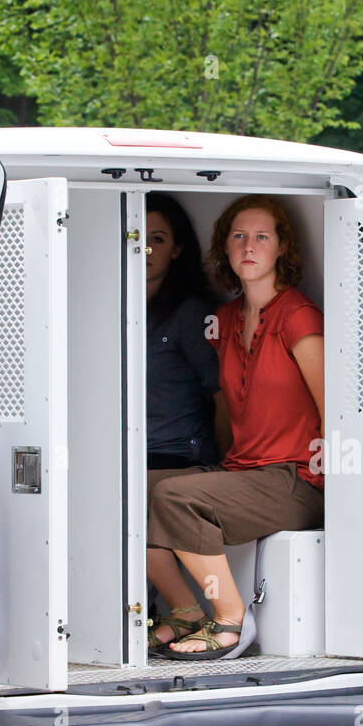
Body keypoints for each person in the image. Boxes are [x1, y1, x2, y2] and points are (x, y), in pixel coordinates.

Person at [147, 195, 324, 660]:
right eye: (238, 236)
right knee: (129, 491)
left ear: (281, 248)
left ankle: (230, 619)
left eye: (262, 237)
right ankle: (184, 610)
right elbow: (226, 407)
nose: (249, 246)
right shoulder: (223, 320)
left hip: (296, 478)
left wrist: (331, 485)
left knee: (175, 496)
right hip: (244, 472)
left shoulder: (298, 316)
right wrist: (219, 469)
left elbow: (336, 409)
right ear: (224, 249)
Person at [144, 193, 221, 650]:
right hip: (132, 452)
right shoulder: (109, 307)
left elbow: (222, 392)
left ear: (177, 249)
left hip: (183, 454)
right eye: (140, 237)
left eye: (159, 238)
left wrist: (228, 459)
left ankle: (187, 612)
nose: (147, 248)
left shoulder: (191, 313)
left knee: (122, 505)